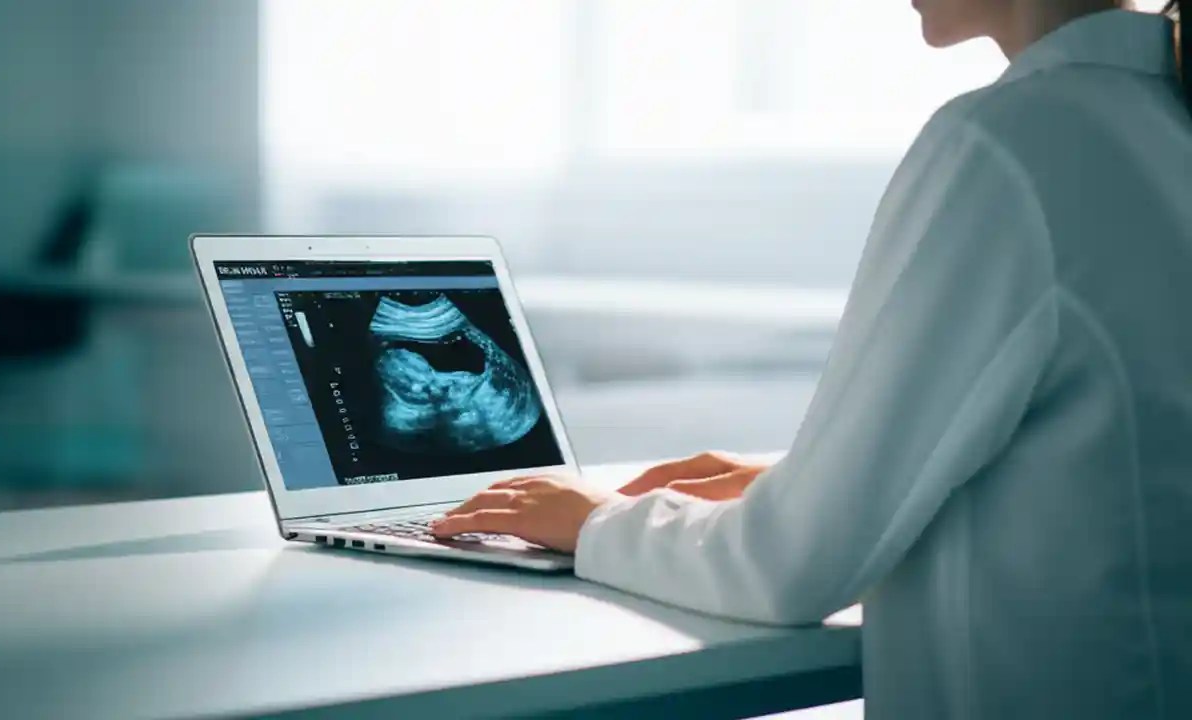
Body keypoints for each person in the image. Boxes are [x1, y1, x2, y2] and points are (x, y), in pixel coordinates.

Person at [432, 1, 1191, 717]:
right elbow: (1099, 459)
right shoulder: (1158, 124)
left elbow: (789, 566)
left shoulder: (1008, 142)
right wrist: (819, 480)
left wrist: (598, 522)